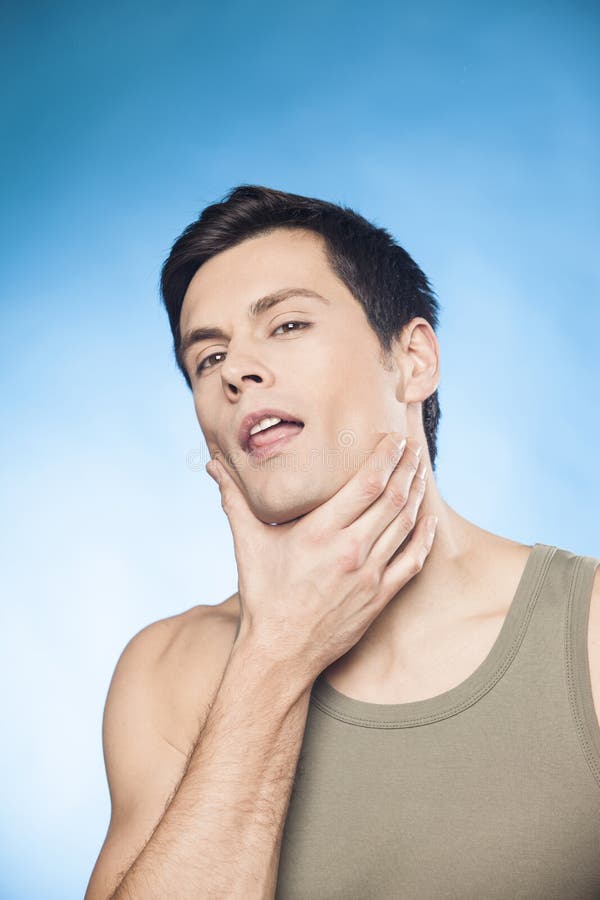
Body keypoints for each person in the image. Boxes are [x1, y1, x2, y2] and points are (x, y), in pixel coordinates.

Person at [85, 185, 600, 899]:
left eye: (288, 325)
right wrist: (274, 656)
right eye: (207, 359)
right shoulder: (166, 672)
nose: (236, 371)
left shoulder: (589, 630)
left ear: (413, 358)